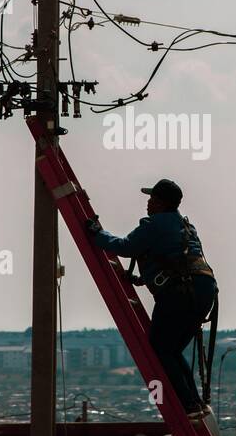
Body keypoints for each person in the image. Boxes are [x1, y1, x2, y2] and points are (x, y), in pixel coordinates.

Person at [85, 179, 218, 420]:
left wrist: (97, 234)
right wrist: (146, 278)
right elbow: (177, 261)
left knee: (160, 348)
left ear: (161, 202)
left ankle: (188, 405)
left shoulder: (155, 224)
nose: (148, 203)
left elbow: (125, 247)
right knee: (173, 350)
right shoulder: (186, 226)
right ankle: (195, 403)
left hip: (179, 294)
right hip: (203, 291)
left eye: (152, 199)